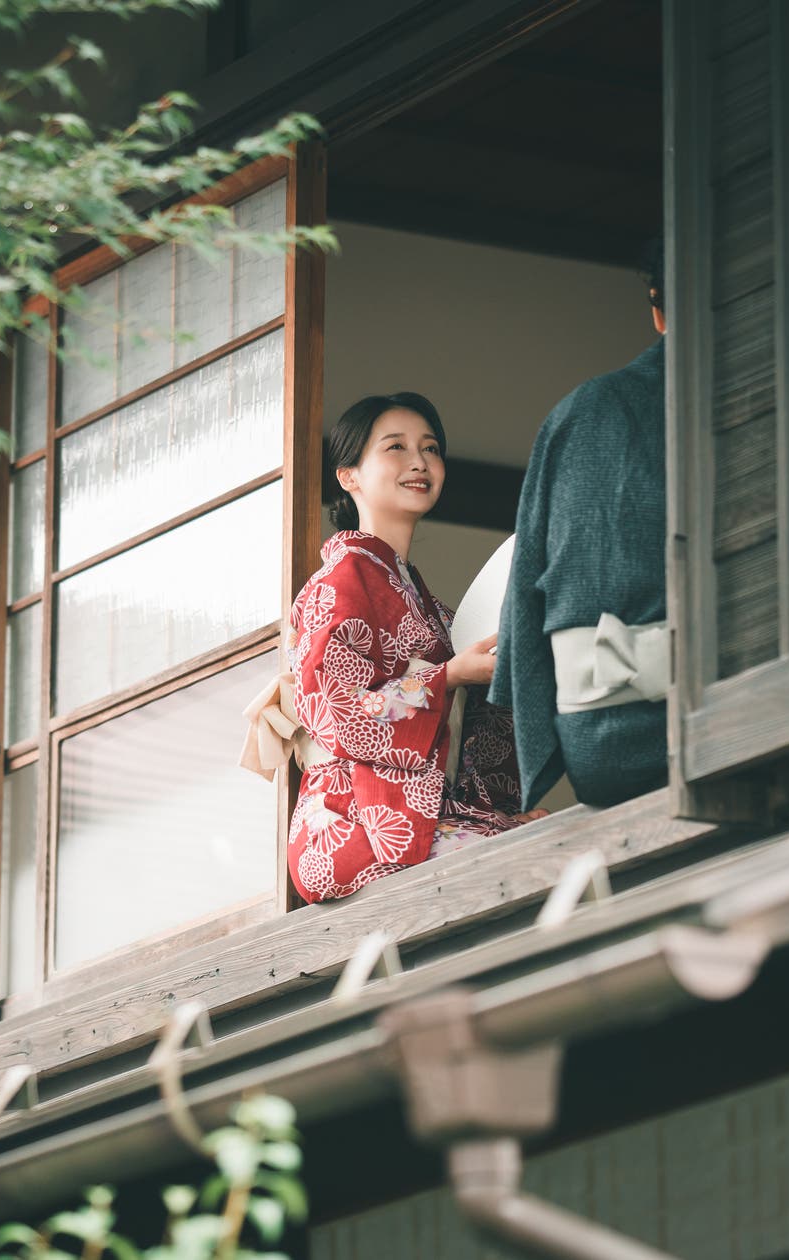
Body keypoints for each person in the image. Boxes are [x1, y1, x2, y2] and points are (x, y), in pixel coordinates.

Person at [279, 392, 533, 904]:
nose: (419, 461)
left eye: (431, 448)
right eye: (396, 447)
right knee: (534, 860)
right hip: (350, 822)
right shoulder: (340, 579)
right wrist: (450, 676)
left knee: (543, 838)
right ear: (348, 476)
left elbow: (471, 730)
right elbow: (339, 708)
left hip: (416, 816)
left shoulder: (432, 610)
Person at [489, 241, 669, 810]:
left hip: (601, 738)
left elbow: (525, 594)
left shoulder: (584, 413)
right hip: (715, 710)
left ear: (657, 308)